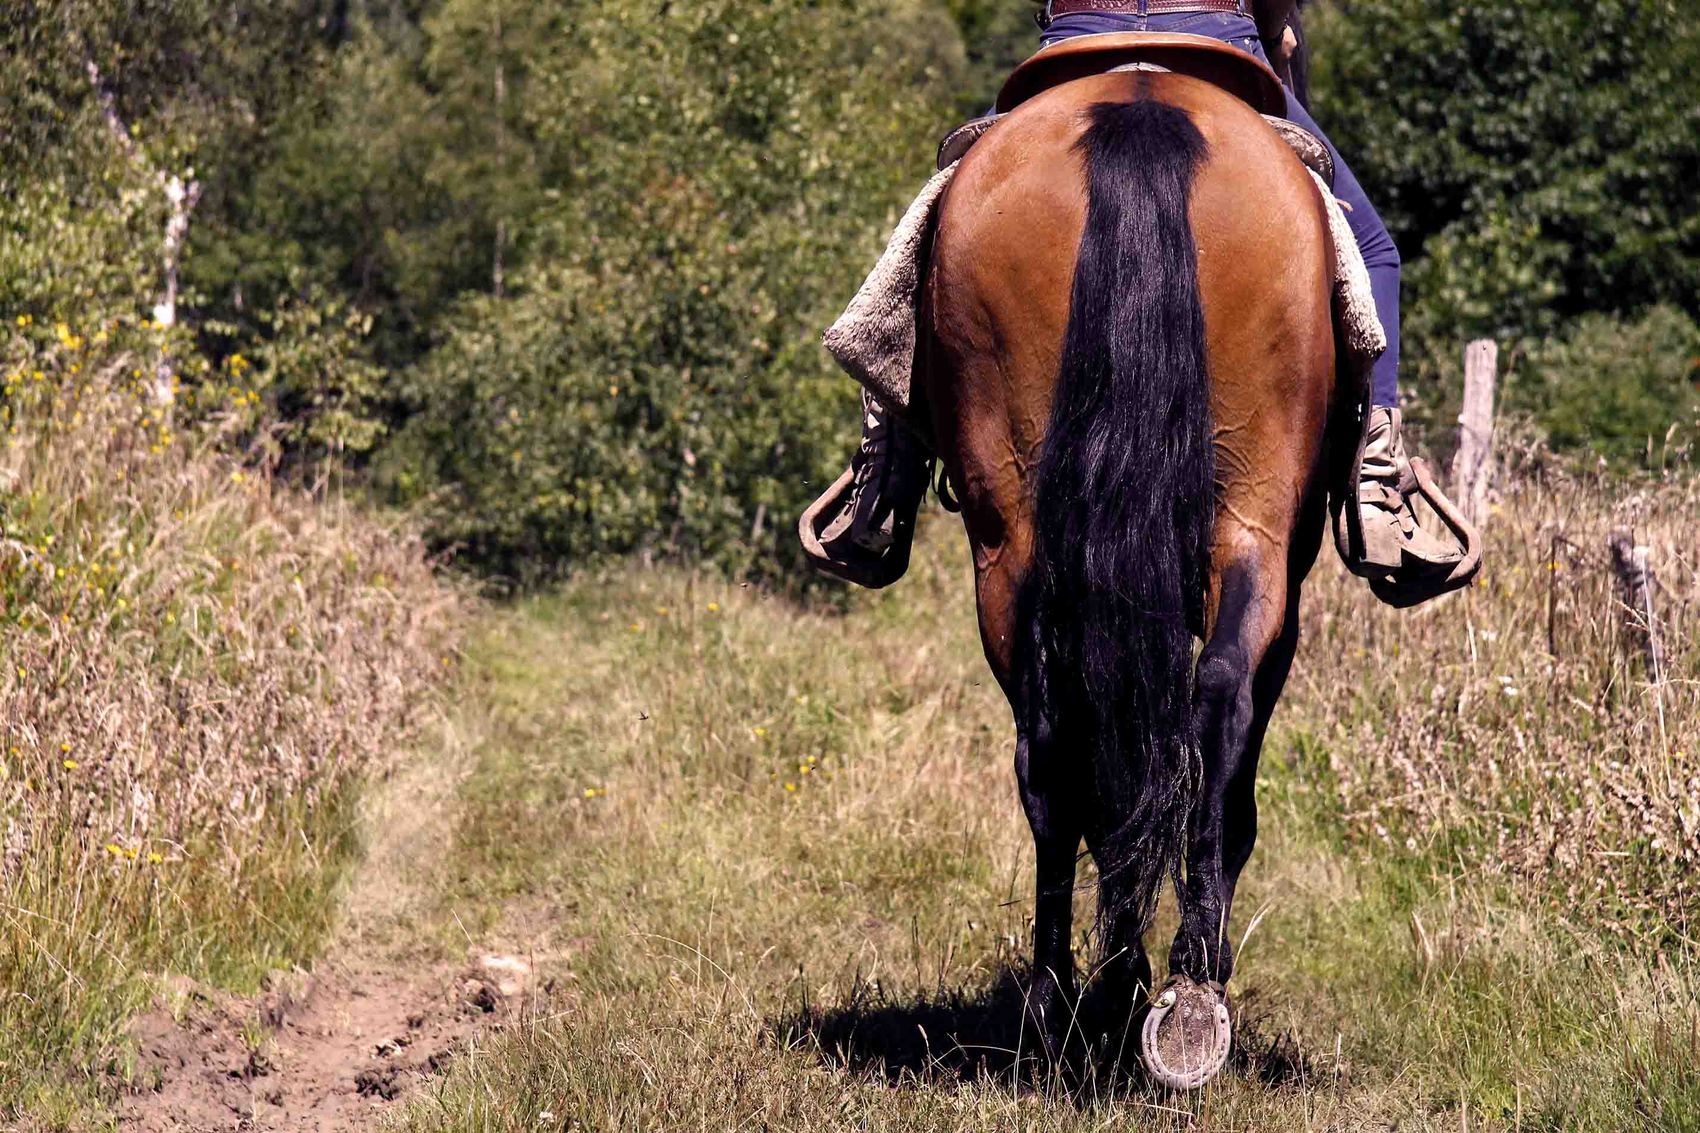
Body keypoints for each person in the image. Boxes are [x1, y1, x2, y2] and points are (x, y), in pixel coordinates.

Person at [805, 0, 1461, 592]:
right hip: (1217, 38)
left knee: (940, 222)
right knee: (1373, 249)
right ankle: (1374, 476)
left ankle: (887, 467)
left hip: (1077, 40)